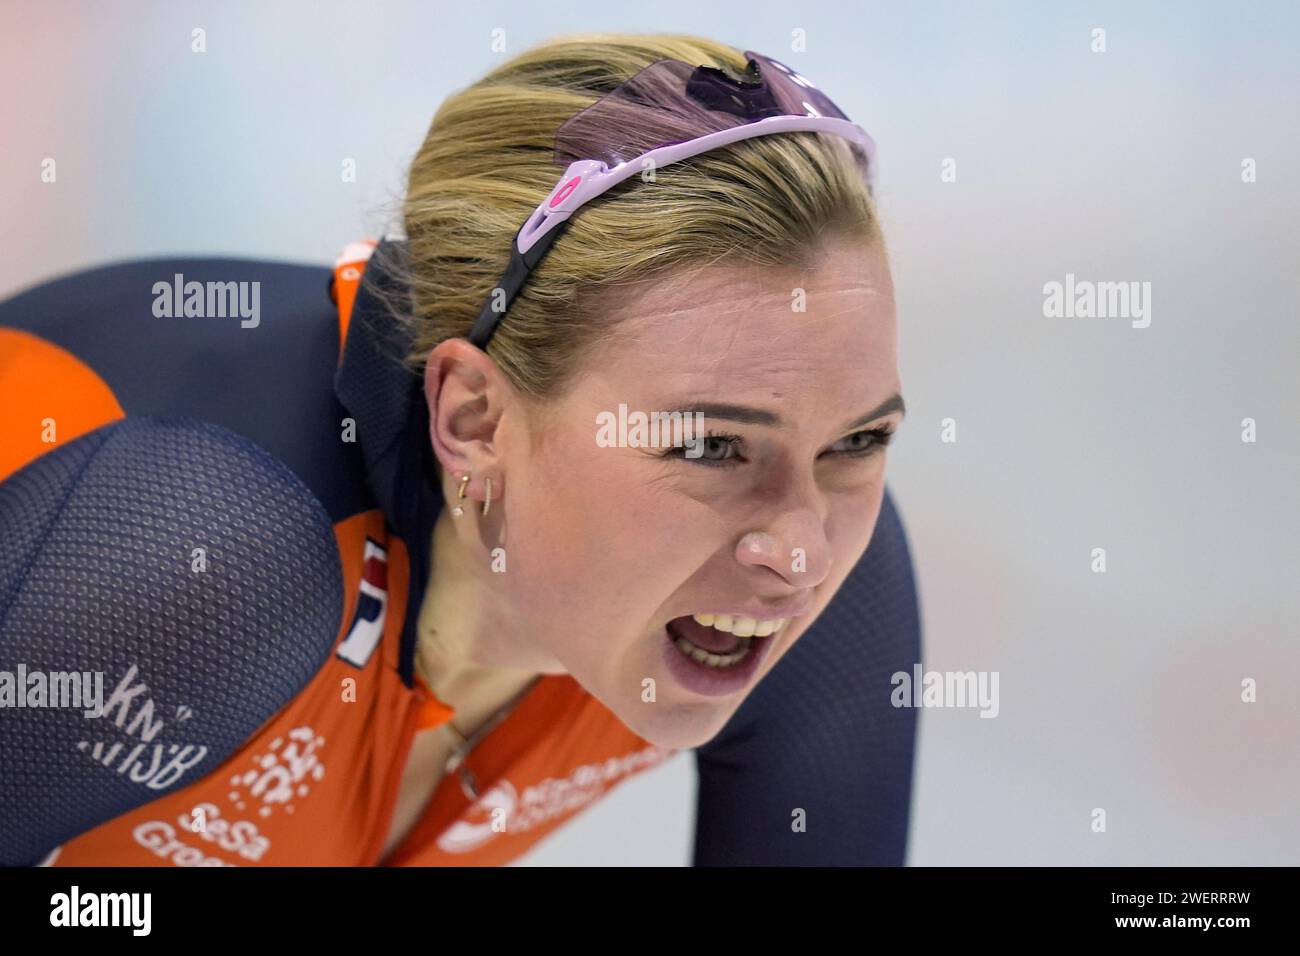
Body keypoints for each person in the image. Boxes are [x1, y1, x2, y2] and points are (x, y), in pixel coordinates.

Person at [0, 32, 921, 866]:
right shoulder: (205, 564)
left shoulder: (795, 584)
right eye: (713, 446)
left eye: (859, 440)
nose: (798, 553)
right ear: (474, 421)